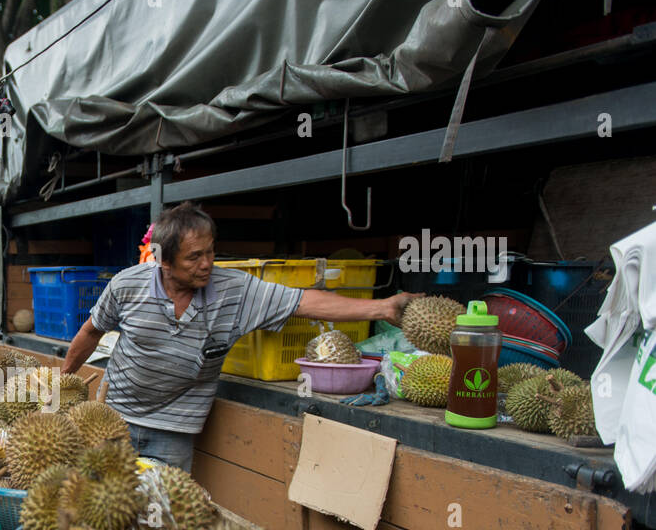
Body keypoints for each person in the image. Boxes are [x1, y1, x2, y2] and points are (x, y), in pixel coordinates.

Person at [62, 201, 418, 470]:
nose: (207, 264)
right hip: (113, 417)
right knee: (103, 512)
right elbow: (91, 331)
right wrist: (63, 381)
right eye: (194, 257)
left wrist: (382, 308)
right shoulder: (127, 285)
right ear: (164, 262)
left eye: (211, 251)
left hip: (174, 428)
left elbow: (303, 301)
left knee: (163, 517)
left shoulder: (235, 290)